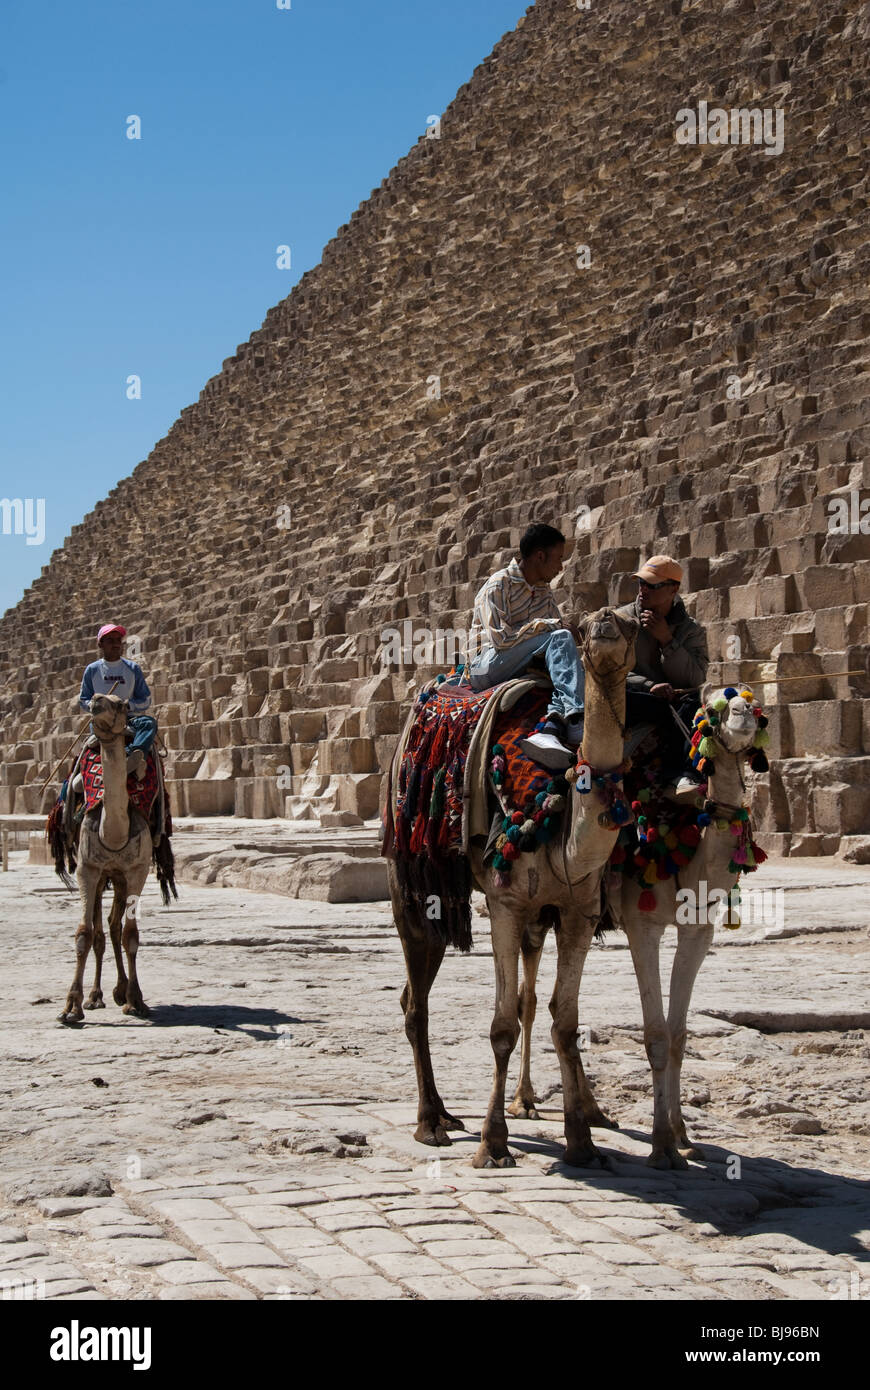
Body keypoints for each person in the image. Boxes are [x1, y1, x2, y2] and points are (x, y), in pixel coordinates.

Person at [465, 523, 585, 769]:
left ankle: (552, 727)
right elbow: (501, 640)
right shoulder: (498, 585)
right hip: (486, 666)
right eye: (558, 559)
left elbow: (554, 642)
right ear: (539, 556)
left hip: (521, 663)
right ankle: (576, 719)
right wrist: (549, 625)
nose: (560, 567)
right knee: (560, 636)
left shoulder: (543, 592)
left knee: (567, 665)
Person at [614, 556, 709, 793]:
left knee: (698, 706)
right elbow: (610, 670)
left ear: (673, 589)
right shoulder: (621, 621)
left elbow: (695, 679)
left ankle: (683, 775)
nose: (644, 590)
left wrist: (667, 640)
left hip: (672, 702)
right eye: (641, 584)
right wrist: (649, 686)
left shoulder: (691, 630)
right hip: (632, 697)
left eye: (652, 585)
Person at [79, 624, 157, 779]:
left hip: (129, 718)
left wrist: (128, 705)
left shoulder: (132, 668)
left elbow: (146, 699)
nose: (115, 644)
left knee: (149, 723)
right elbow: (83, 700)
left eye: (118, 640)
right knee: (82, 756)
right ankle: (79, 781)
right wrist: (98, 706)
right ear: (100, 644)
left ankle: (133, 755)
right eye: (110, 640)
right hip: (103, 721)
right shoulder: (92, 670)